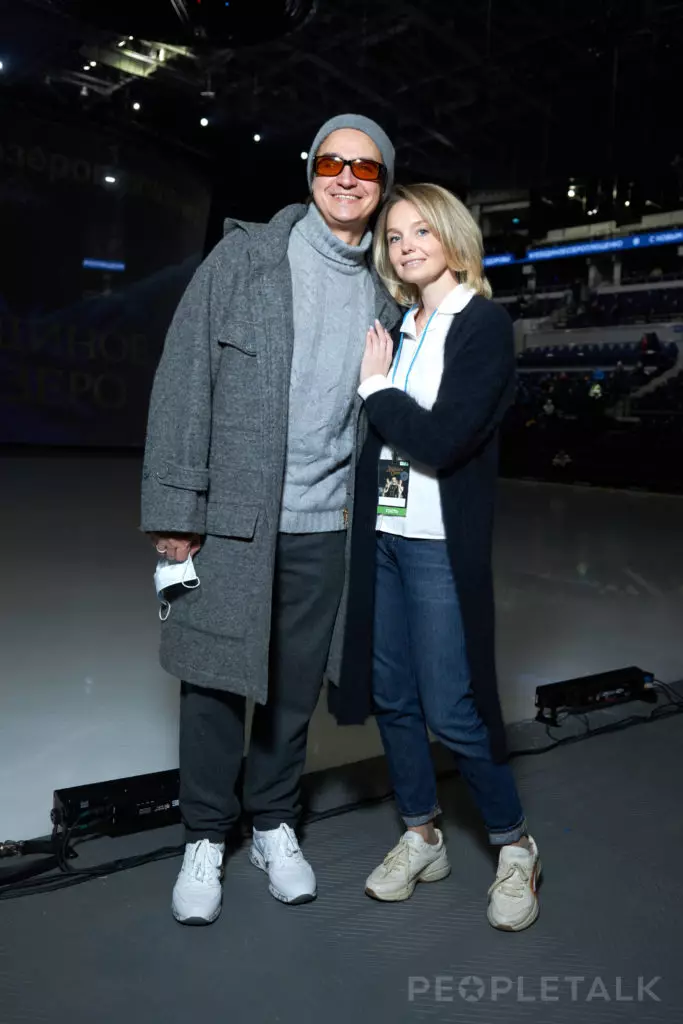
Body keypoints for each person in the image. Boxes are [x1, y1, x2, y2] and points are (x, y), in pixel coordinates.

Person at [140, 114, 399, 924]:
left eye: (366, 166)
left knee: (292, 691)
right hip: (235, 522)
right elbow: (184, 382)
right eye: (333, 160)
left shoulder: (389, 288)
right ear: (310, 170)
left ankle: (275, 825)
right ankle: (205, 837)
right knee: (215, 682)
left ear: (382, 185)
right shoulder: (247, 258)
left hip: (327, 523)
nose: (348, 177)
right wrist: (177, 514)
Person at [337, 183, 541, 931]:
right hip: (387, 537)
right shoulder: (403, 321)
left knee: (453, 710)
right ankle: (422, 832)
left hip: (436, 548)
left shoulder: (481, 324)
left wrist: (375, 389)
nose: (405, 246)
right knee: (392, 700)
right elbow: (391, 450)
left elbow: (437, 440)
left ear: (453, 236)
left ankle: (514, 844)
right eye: (393, 237)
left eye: (421, 230)